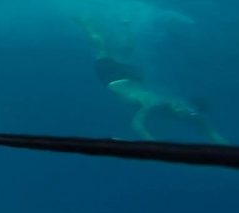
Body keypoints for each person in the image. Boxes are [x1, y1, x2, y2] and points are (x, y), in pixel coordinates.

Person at [75, 16, 227, 144]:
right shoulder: (155, 103)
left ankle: (126, 26)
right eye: (184, 109)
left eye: (190, 112)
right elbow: (136, 124)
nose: (185, 113)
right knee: (102, 49)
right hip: (113, 79)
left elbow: (211, 133)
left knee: (124, 53)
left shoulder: (193, 115)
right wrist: (152, 143)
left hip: (134, 79)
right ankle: (87, 23)